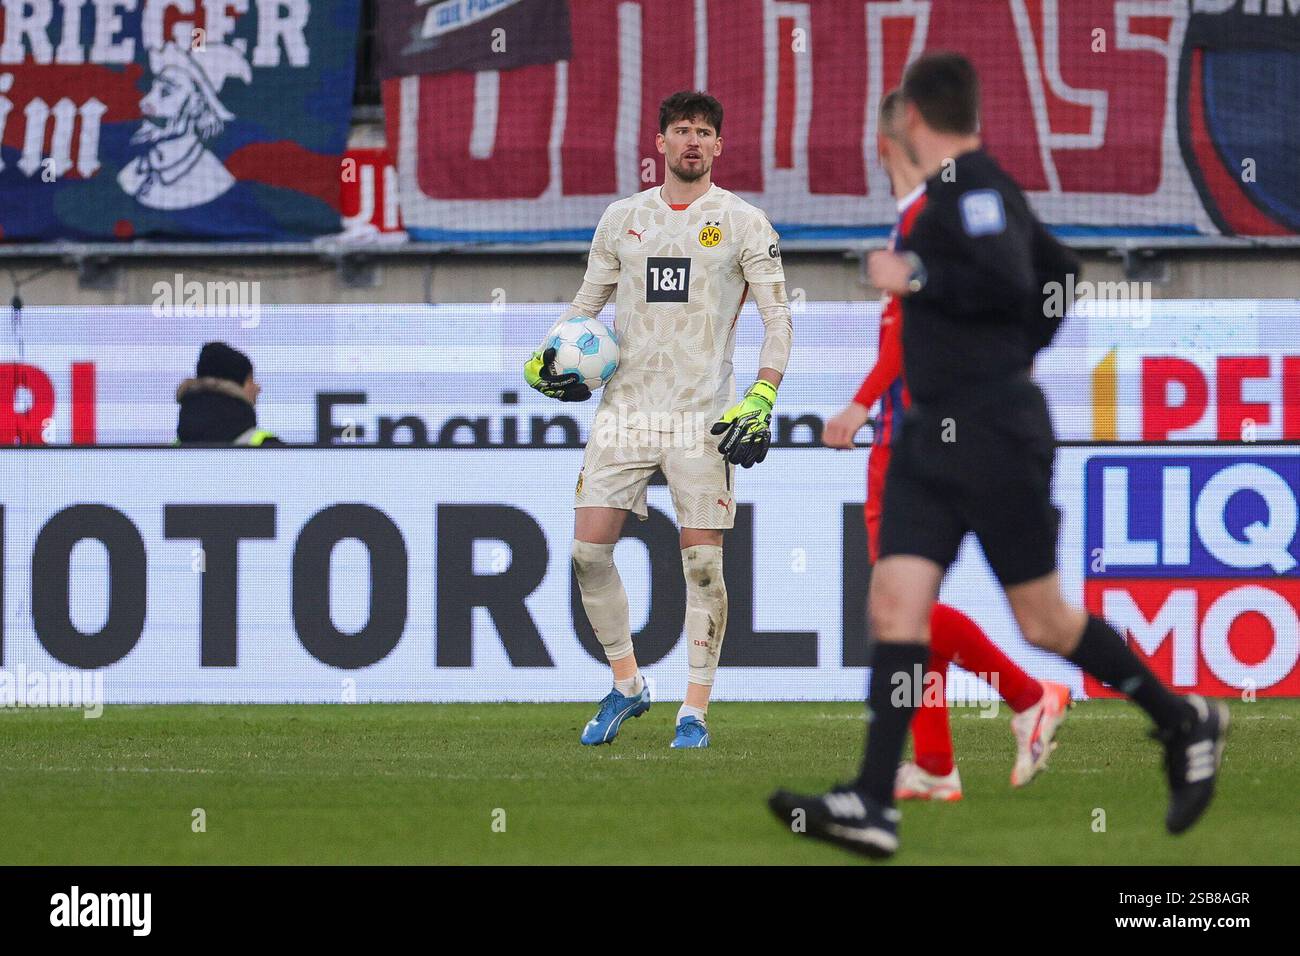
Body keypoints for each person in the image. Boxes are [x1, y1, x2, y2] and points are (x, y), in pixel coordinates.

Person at [771, 53, 1226, 857]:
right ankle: (875, 800)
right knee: (894, 607)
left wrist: (917, 279)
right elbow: (1061, 272)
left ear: (911, 117)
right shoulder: (975, 190)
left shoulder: (968, 186)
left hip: (989, 433)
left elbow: (1010, 274)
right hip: (930, 437)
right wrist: (1013, 348)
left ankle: (1181, 718)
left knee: (1043, 620)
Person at [524, 90, 793, 749]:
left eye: (705, 131)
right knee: (588, 553)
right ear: (661, 144)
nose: (693, 141)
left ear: (719, 147)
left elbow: (777, 318)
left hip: (702, 417)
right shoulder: (622, 219)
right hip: (626, 412)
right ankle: (627, 685)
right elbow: (585, 309)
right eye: (682, 131)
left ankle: (694, 711)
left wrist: (761, 396)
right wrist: (543, 358)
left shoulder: (742, 222)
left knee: (703, 565)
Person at [824, 89, 1069, 802]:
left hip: (910, 434)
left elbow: (907, 336)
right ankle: (933, 763)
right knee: (907, 608)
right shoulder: (929, 214)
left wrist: (859, 404)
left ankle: (1028, 695)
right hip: (925, 431)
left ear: (886, 143)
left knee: (903, 604)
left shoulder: (924, 218)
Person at [176, 341, 280, 445]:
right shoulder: (269, 449)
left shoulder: (170, 453)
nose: (258, 388)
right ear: (235, 387)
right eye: (250, 380)